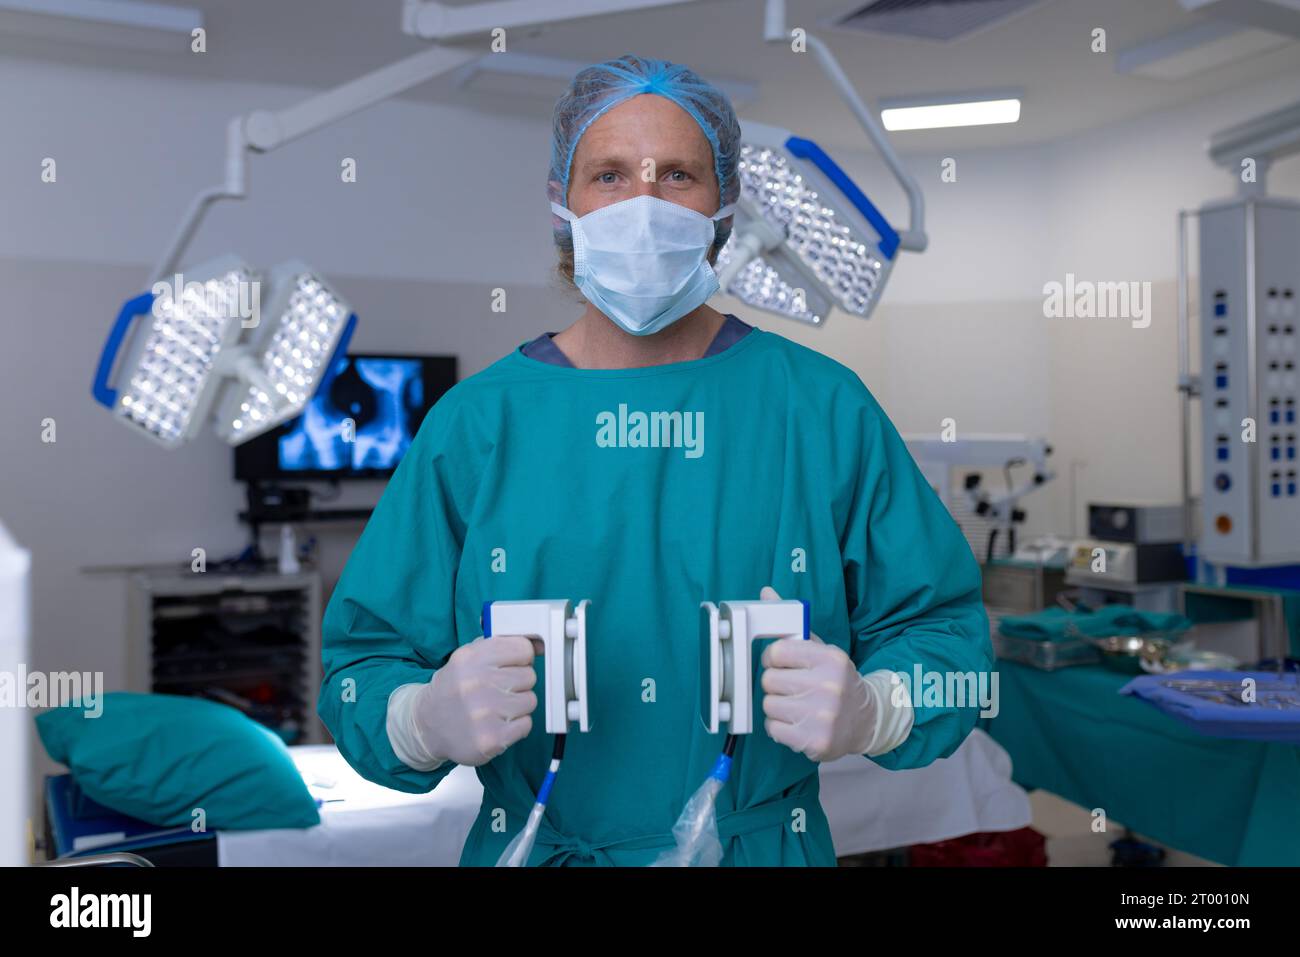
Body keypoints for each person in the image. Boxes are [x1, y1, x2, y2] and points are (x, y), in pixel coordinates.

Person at [318, 54, 991, 866]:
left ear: (724, 207)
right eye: (608, 175)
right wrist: (419, 717)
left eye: (678, 174)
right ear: (563, 205)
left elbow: (945, 636)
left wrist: (880, 706)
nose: (643, 204)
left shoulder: (818, 407)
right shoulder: (477, 424)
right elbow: (360, 668)